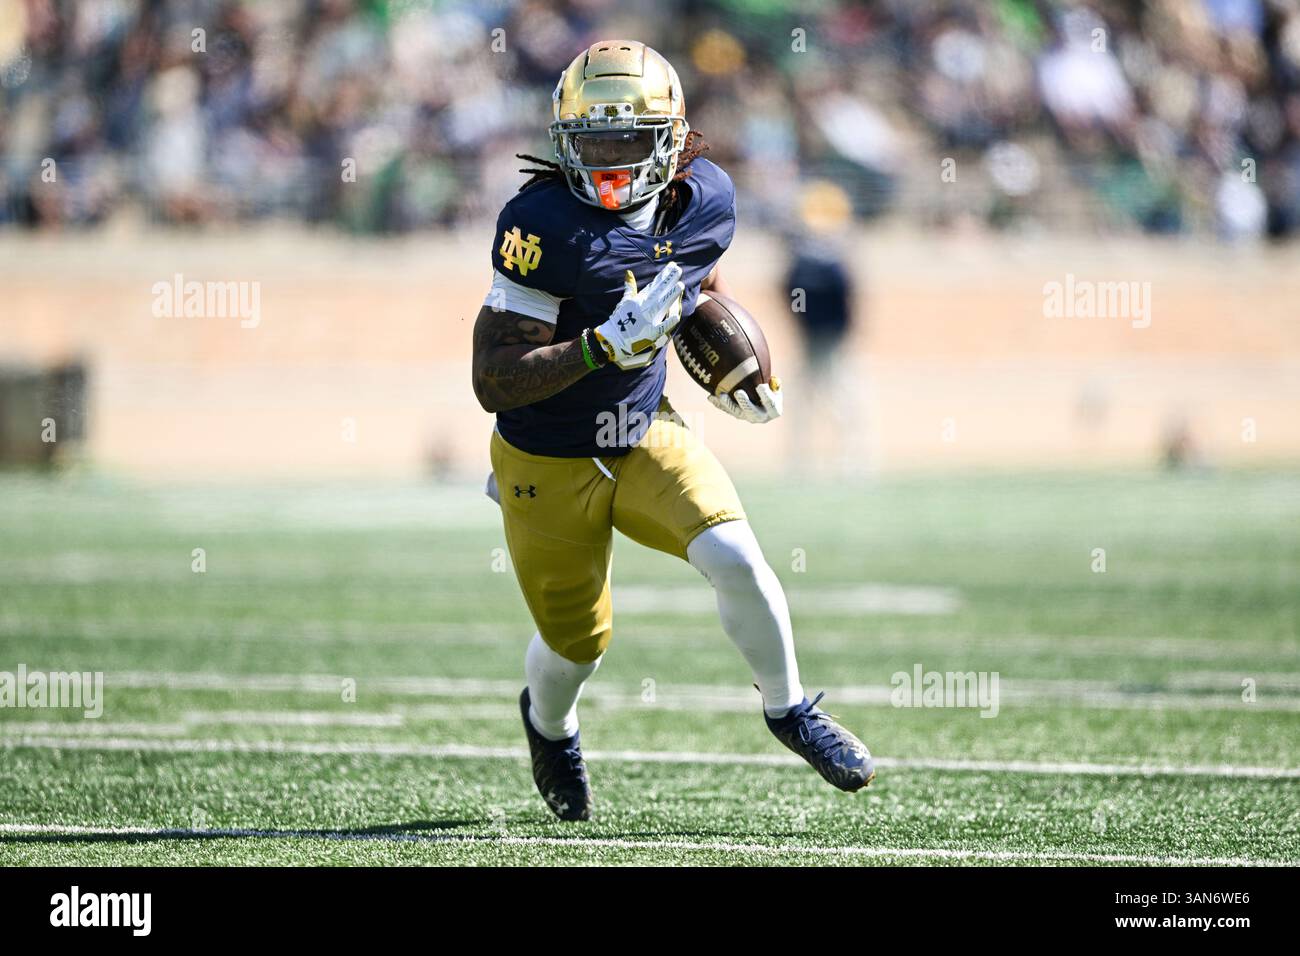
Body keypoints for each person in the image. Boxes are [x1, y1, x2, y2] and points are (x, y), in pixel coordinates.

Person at [470, 40, 874, 821]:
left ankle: (791, 709)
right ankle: (549, 726)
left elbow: (693, 282)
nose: (611, 161)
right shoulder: (541, 223)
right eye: (594, 142)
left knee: (736, 556)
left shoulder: (706, 199)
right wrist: (596, 347)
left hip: (642, 429)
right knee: (577, 646)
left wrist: (729, 363)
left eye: (629, 139)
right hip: (544, 458)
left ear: (672, 137)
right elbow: (492, 377)